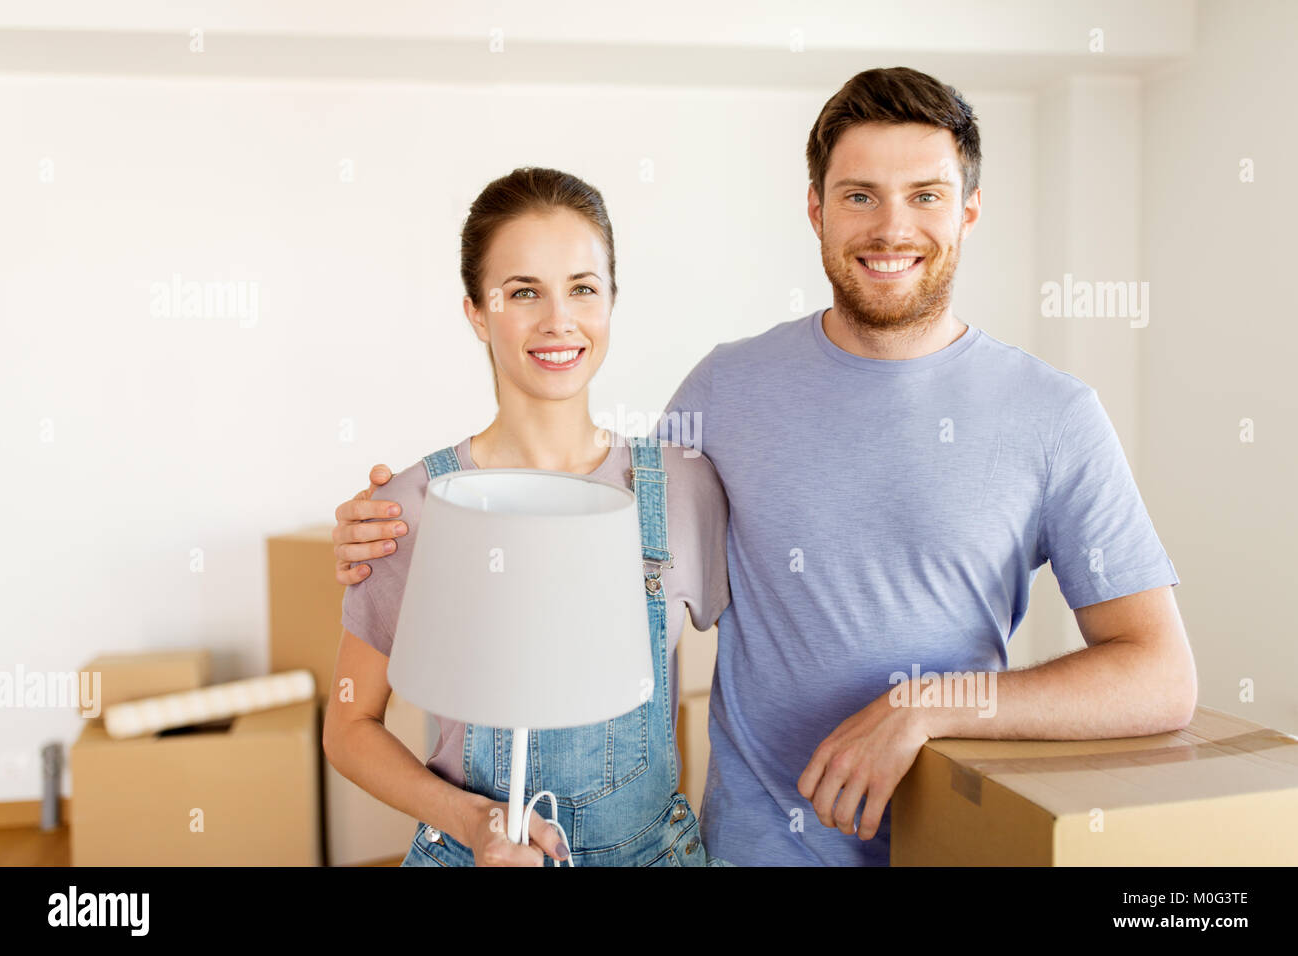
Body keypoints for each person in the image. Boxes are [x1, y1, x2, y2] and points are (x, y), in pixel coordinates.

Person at [333, 67, 1195, 867]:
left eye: (925, 195)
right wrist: (391, 521)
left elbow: (1160, 676)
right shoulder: (726, 392)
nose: (892, 227)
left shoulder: (1055, 417)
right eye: (860, 195)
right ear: (816, 210)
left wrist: (927, 703)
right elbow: (586, 501)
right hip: (749, 849)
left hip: (947, 842)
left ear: (969, 209)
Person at [322, 166, 732, 867]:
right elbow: (349, 726)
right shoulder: (414, 508)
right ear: (477, 311)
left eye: (582, 288)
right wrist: (473, 820)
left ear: (610, 301)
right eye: (522, 293)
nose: (558, 321)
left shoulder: (685, 488)